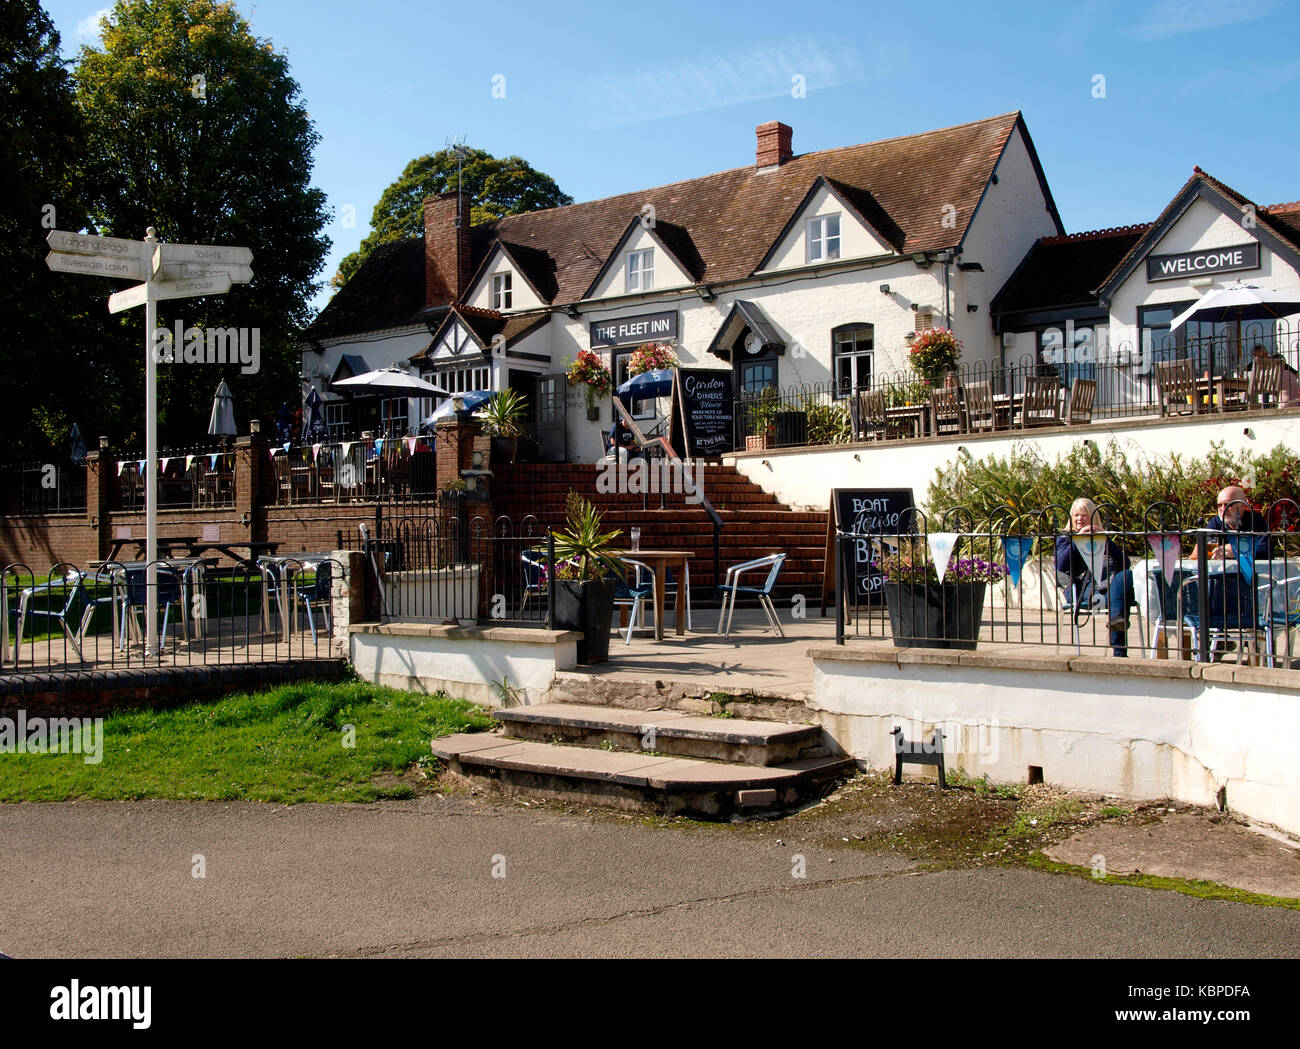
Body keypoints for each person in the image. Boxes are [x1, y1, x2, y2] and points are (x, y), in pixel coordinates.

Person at [1055, 497, 1136, 657]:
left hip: (1107, 585)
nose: (1080, 519)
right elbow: (1062, 565)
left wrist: (1105, 540)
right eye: (1076, 515)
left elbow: (1124, 563)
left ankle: (1116, 620)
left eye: (1084, 515)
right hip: (1079, 587)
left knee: (1126, 576)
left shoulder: (1102, 537)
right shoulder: (1064, 539)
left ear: (1093, 516)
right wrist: (1079, 540)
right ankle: (1119, 652)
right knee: (1120, 599)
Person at [1192, 485, 1272, 562]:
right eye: (1220, 505)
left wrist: (1237, 550)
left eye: (1228, 505)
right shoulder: (1216, 522)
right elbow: (1201, 551)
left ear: (1243, 505)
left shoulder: (1255, 520)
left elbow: (1265, 549)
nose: (1223, 509)